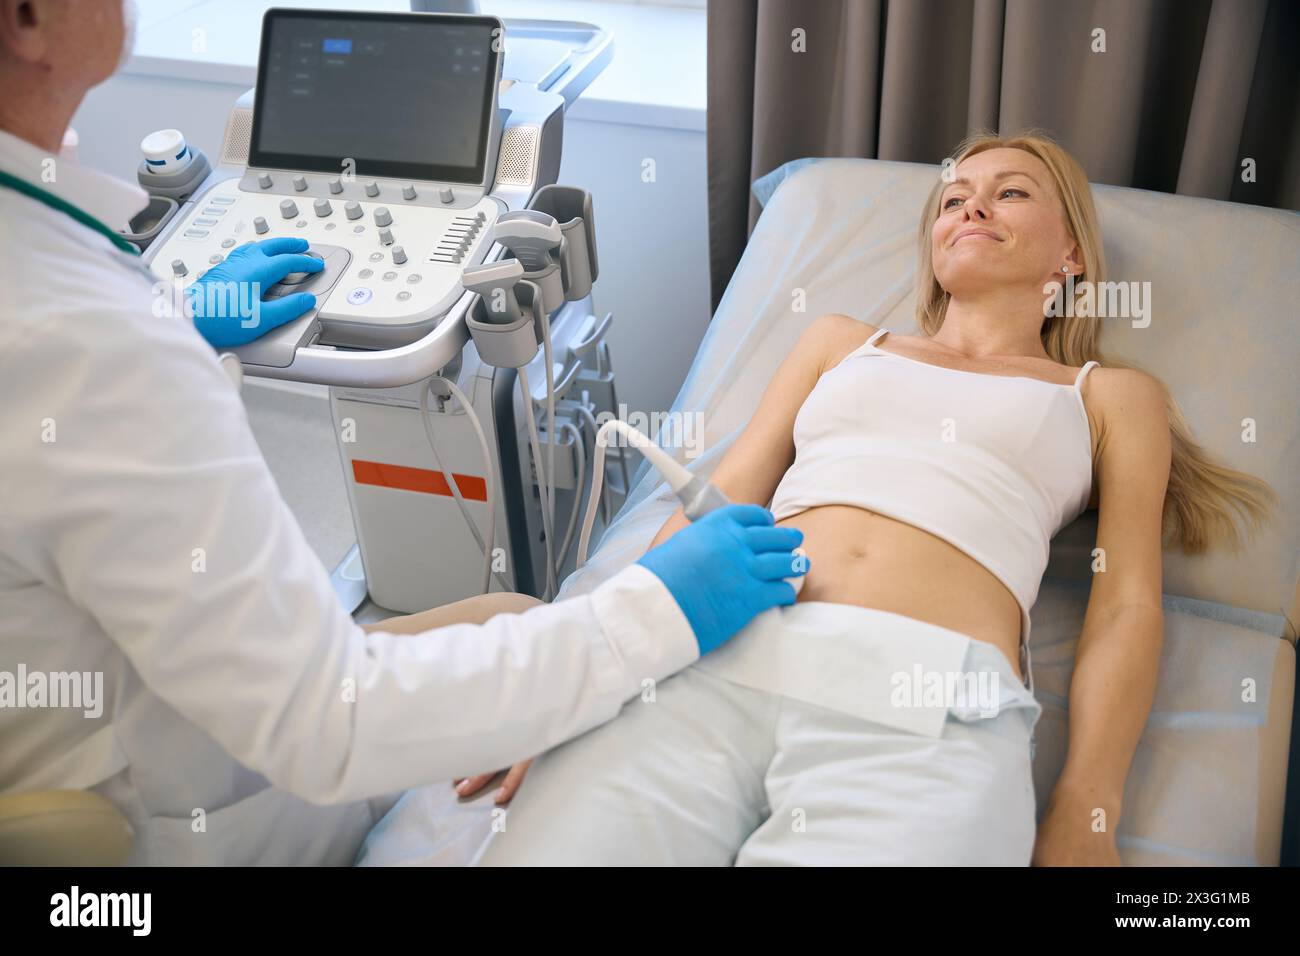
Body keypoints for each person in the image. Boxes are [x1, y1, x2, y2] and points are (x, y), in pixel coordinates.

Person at [0, 0, 806, 864]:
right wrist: (653, 614)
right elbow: (326, 720)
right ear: (28, 20)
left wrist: (181, 331)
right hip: (145, 822)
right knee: (525, 649)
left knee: (507, 610)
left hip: (121, 706)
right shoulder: (86, 340)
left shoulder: (66, 297)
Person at [468, 132, 1276, 866]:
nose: (973, 207)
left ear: (1070, 250)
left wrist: (1085, 808)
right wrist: (587, 669)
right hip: (711, 655)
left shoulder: (1110, 396)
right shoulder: (841, 343)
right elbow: (712, 504)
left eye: (1012, 192)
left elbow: (1126, 603)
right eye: (954, 199)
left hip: (924, 706)